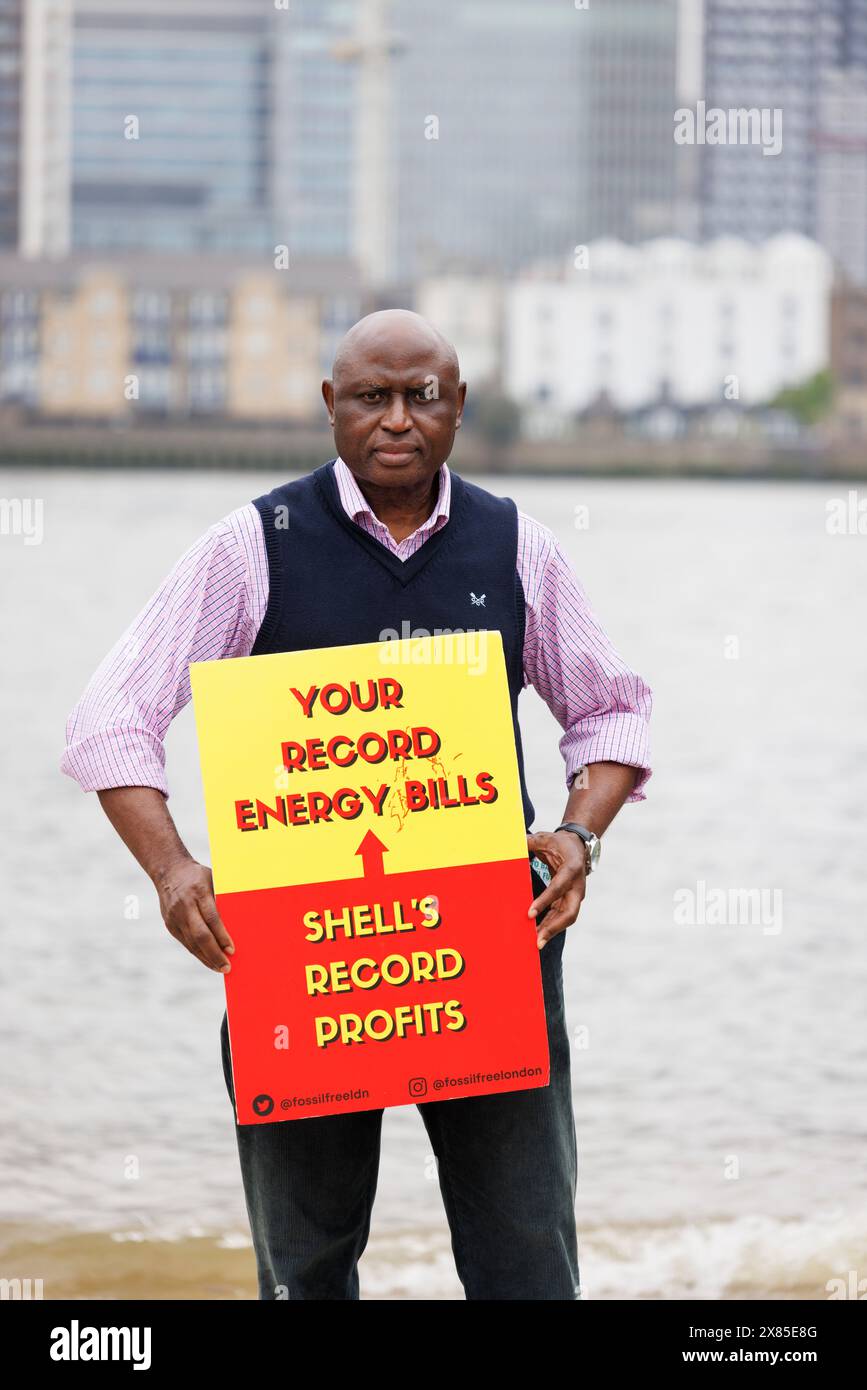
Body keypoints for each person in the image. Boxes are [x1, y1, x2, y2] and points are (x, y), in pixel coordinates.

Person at [61, 309, 652, 1301]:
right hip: (301, 963)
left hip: (486, 952)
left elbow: (613, 709)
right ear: (330, 406)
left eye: (422, 396)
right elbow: (109, 717)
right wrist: (171, 869)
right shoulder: (254, 544)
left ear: (458, 406)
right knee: (305, 1268)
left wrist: (580, 834)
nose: (396, 420)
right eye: (370, 397)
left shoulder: (518, 546)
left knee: (528, 1262)